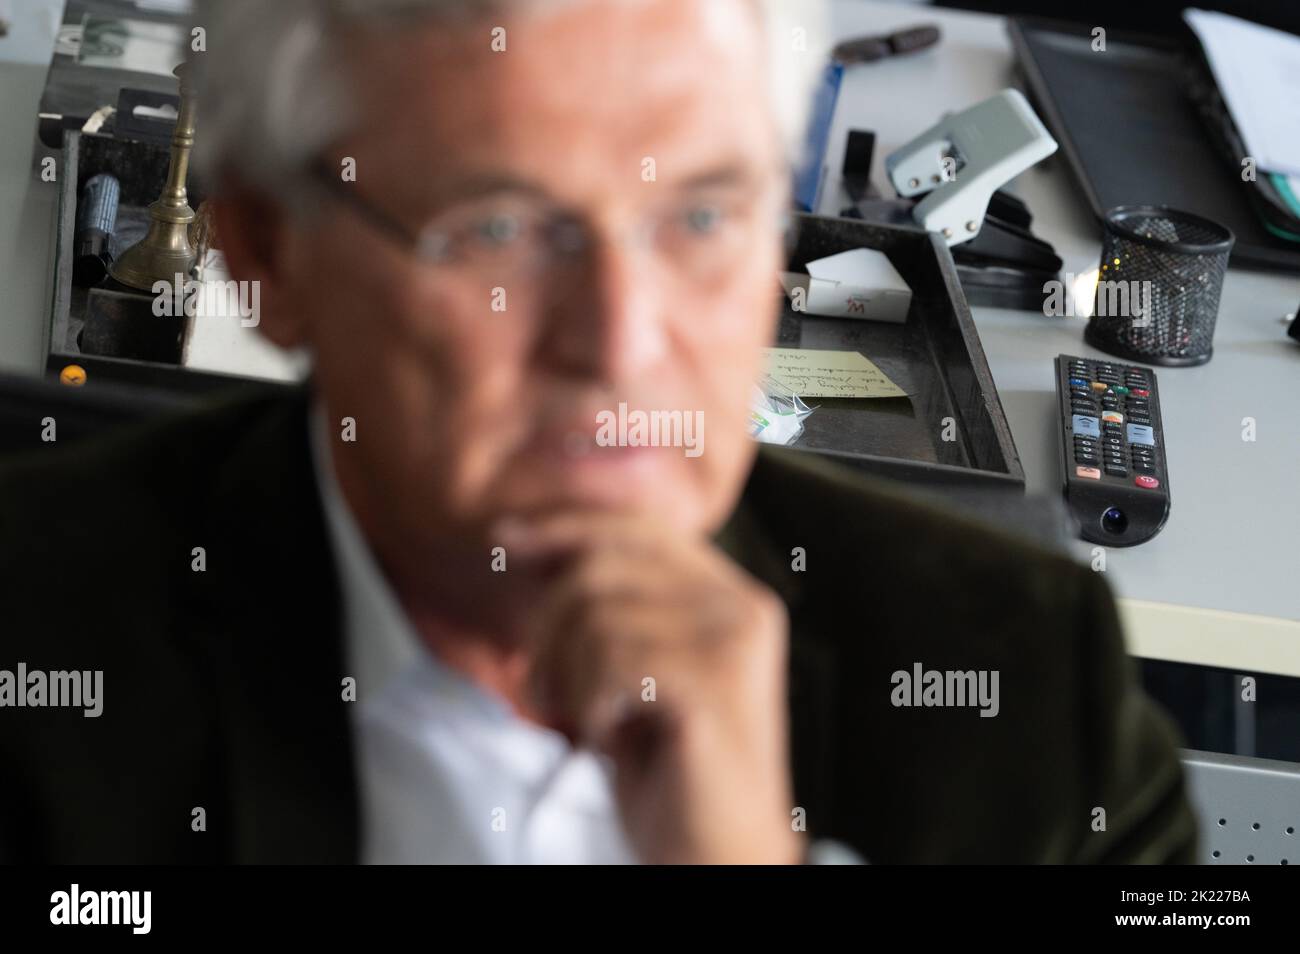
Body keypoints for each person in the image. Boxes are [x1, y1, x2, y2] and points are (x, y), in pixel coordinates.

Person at [0, 0, 1195, 864]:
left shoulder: (1040, 707)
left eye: (703, 213)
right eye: (498, 231)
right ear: (265, 257)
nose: (621, 342)